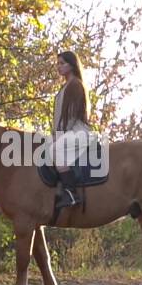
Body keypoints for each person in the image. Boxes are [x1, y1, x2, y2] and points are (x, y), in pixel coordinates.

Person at [52, 51, 92, 208]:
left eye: (62, 63)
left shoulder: (75, 85)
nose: (59, 67)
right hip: (67, 131)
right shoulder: (66, 86)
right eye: (58, 63)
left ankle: (71, 192)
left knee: (55, 150)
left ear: (72, 65)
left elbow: (70, 115)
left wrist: (59, 135)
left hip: (77, 132)